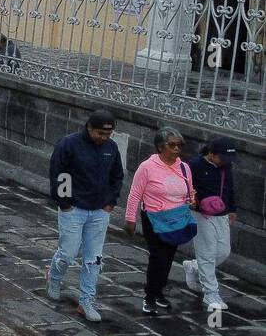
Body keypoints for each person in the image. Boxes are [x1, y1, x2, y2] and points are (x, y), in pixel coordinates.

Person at [46, 110, 123, 322]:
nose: (104, 138)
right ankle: (54, 276)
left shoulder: (111, 148)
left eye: (108, 134)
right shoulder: (68, 144)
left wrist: (110, 202)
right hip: (74, 209)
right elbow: (58, 173)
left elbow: (117, 176)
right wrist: (65, 203)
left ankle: (87, 300)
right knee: (68, 254)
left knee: (94, 259)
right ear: (89, 128)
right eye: (100, 133)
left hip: (99, 211)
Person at [125, 127, 198, 314]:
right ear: (160, 147)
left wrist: (192, 199)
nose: (176, 149)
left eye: (179, 145)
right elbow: (135, 194)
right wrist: (130, 218)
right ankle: (149, 296)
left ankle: (159, 291)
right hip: (154, 217)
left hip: (176, 218)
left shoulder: (184, 167)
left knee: (168, 257)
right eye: (172, 145)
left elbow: (189, 190)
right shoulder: (147, 167)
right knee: (157, 257)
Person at [185, 136, 237, 311]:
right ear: (211, 154)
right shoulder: (195, 165)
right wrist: (193, 203)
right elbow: (186, 187)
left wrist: (232, 209)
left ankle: (194, 266)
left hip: (221, 212)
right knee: (207, 252)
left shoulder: (226, 167)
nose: (225, 162)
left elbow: (230, 187)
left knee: (223, 251)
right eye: (222, 158)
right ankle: (211, 292)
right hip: (201, 213)